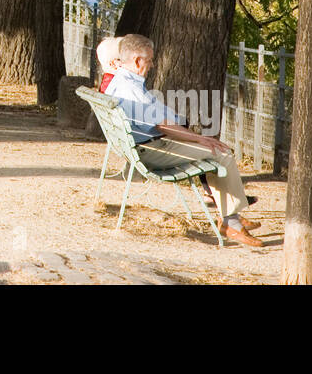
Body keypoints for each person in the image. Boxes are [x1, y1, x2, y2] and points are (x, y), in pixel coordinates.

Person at [104, 33, 263, 247]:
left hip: (142, 146)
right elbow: (162, 125)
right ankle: (231, 222)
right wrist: (199, 139)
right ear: (137, 60)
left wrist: (195, 136)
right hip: (152, 150)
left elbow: (158, 115)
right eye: (149, 60)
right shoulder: (130, 88)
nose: (151, 65)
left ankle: (231, 217)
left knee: (212, 149)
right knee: (221, 154)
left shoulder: (123, 81)